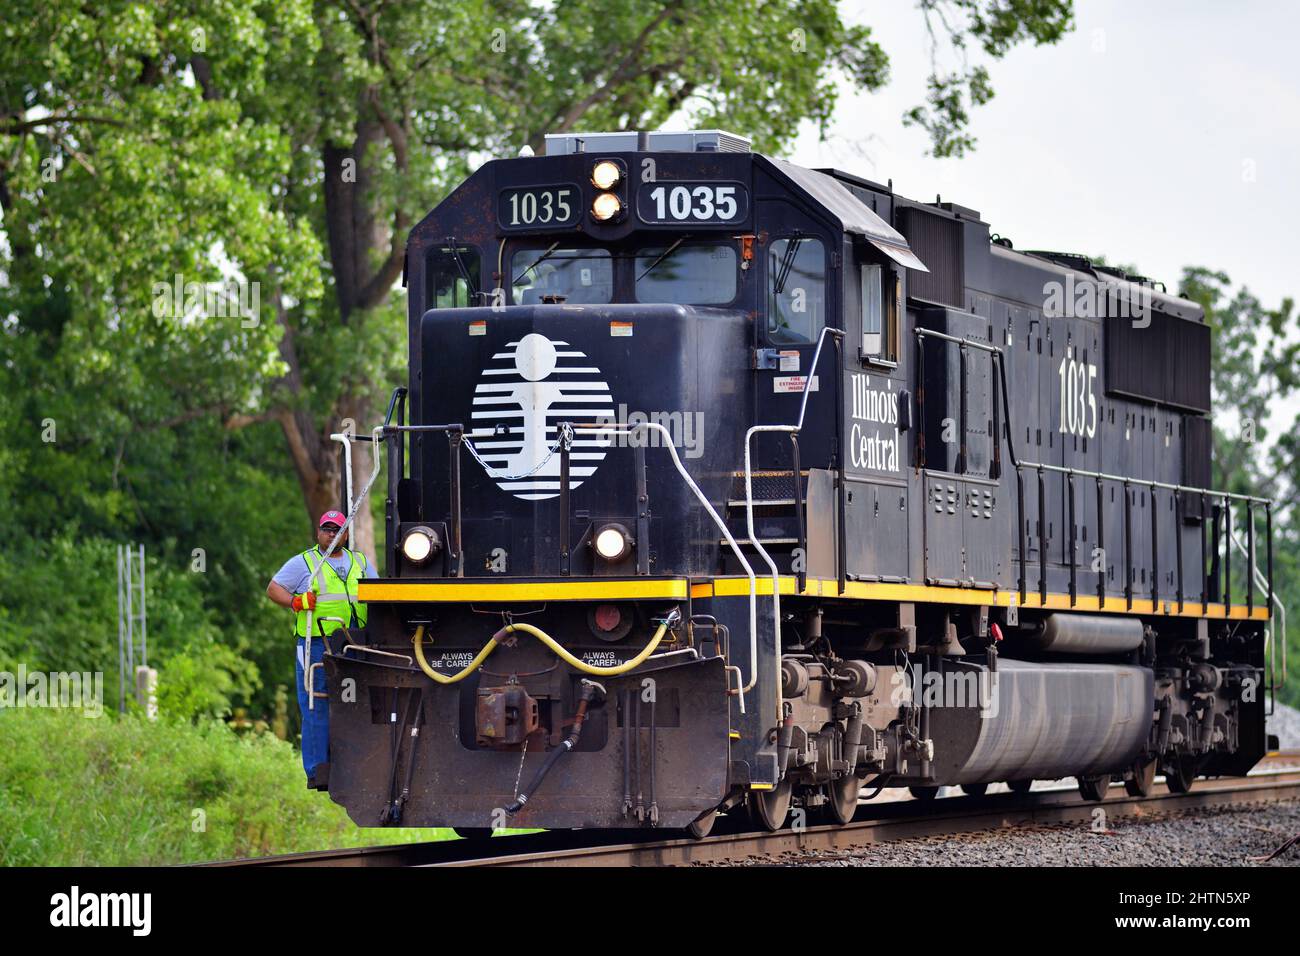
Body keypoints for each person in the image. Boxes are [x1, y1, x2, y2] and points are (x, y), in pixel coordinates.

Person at [266, 510, 375, 789]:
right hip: (316, 643)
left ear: (346, 534)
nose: (331, 534)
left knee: (355, 702)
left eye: (336, 530)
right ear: (318, 532)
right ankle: (317, 770)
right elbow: (273, 589)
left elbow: (377, 592)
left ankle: (353, 764)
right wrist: (296, 602)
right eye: (326, 529)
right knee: (315, 702)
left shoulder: (359, 561)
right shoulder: (305, 562)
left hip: (354, 641)